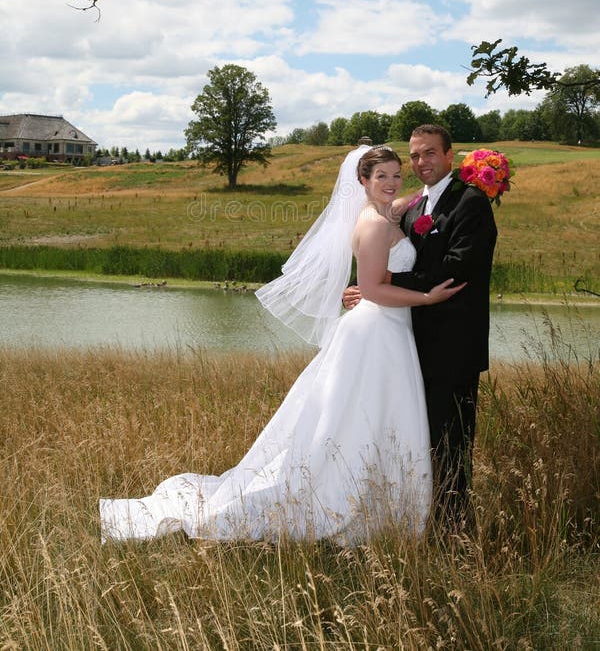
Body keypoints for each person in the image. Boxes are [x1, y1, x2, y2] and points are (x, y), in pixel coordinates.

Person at [99, 145, 463, 545]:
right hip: (377, 330)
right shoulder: (375, 224)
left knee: (368, 418)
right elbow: (374, 288)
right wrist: (428, 298)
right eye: (382, 177)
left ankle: (378, 502)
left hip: (386, 330)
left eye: (397, 175)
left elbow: (415, 205)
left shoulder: (383, 213)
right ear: (363, 181)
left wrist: (469, 177)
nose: (392, 183)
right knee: (363, 419)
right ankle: (353, 501)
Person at [345, 125, 497, 527]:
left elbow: (458, 267)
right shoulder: (411, 208)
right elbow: (381, 254)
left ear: (450, 155)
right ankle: (407, 518)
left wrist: (381, 285)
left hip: (452, 347)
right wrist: (362, 288)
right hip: (407, 344)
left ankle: (453, 530)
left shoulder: (471, 203)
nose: (420, 163)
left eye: (429, 153)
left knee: (451, 444)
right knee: (412, 439)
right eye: (414, 156)